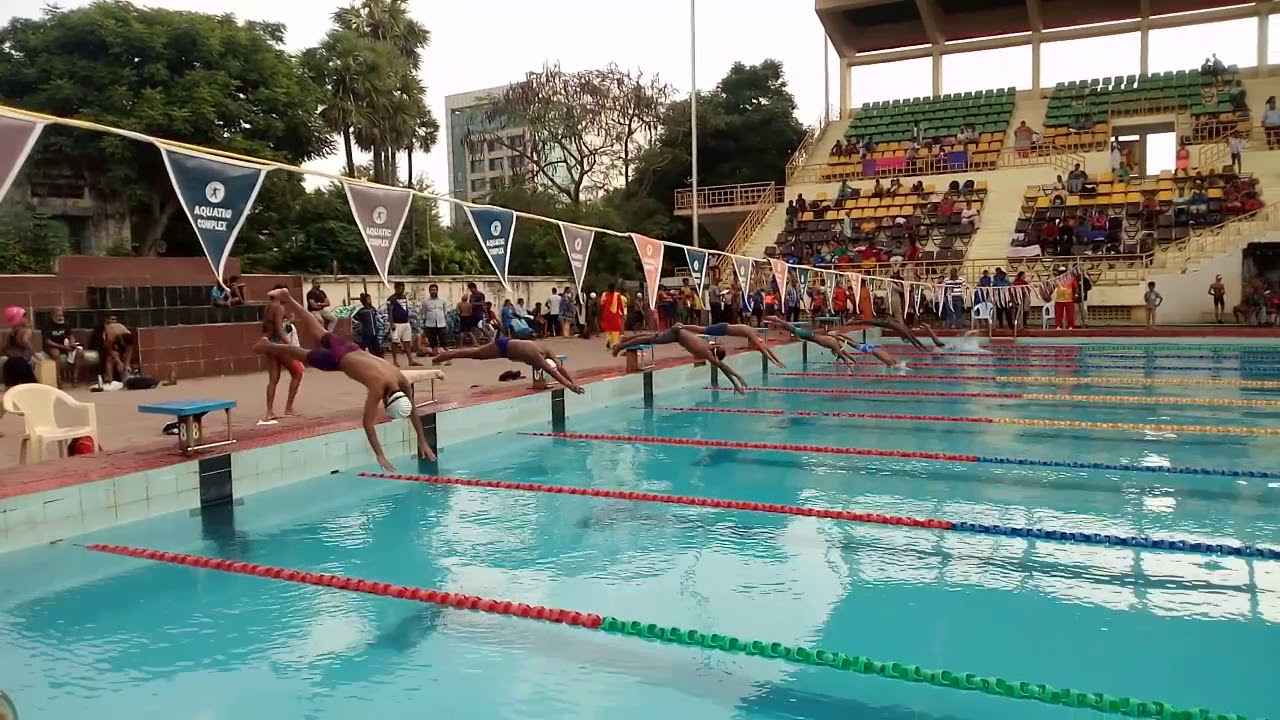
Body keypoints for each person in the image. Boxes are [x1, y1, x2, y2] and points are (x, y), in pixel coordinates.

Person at [253, 288, 435, 471]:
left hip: (351, 348)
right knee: (304, 355)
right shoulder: (377, 387)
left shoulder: (399, 376)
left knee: (317, 330)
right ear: (387, 401)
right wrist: (380, 455)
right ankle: (269, 346)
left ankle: (288, 297)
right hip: (339, 360)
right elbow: (368, 424)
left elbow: (412, 411)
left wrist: (422, 441)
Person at [610, 324, 747, 394]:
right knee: (650, 338)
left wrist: (737, 380)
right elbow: (723, 368)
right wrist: (737, 381)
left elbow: (722, 367)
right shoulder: (706, 352)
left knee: (653, 337)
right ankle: (619, 347)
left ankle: (625, 340)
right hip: (677, 333)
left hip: (678, 332)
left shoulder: (707, 346)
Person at [432, 336, 584, 394]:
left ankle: (539, 384)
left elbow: (560, 368)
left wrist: (574, 383)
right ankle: (447, 354)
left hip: (511, 348)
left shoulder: (546, 351)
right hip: (503, 346)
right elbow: (554, 373)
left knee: (476, 355)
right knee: (476, 354)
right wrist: (570, 387)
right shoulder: (537, 357)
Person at [766, 317, 899, 369]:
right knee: (790, 328)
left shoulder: (836, 344)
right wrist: (851, 366)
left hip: (813, 336)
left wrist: (854, 362)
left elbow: (845, 353)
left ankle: (776, 321)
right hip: (810, 336)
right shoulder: (835, 345)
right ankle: (776, 320)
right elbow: (845, 356)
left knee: (790, 328)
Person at [260, 284, 302, 423]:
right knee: (297, 372)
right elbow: (279, 329)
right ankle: (289, 408)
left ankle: (269, 411)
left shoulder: (268, 307)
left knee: (273, 379)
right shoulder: (279, 307)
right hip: (279, 344)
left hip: (269, 343)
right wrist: (290, 345)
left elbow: (267, 327)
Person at [680, 322, 785, 367]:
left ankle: (683, 327)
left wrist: (777, 361)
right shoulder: (752, 334)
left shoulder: (754, 333)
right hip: (723, 328)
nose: (754, 346)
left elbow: (765, 348)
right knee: (701, 330)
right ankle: (682, 327)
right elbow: (763, 349)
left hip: (725, 329)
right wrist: (773, 361)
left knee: (701, 330)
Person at [43, 307, 82, 387]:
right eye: (57, 316)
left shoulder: (66, 324)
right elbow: (47, 341)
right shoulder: (47, 326)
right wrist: (62, 347)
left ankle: (75, 377)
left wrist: (72, 343)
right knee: (56, 353)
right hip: (53, 346)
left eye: (61, 315)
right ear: (52, 316)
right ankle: (58, 379)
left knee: (80, 352)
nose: (60, 318)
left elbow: (71, 335)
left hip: (65, 345)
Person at [2, 306, 37, 389]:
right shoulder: (26, 330)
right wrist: (35, 354)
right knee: (33, 388)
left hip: (9, 363)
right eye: (24, 317)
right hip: (21, 363)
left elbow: (4, 348)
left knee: (11, 391)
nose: (26, 320)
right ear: (18, 319)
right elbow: (25, 340)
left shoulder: (10, 334)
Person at [386, 281, 419, 367]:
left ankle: (410, 360)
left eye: (403, 288)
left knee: (407, 342)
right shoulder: (391, 299)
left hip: (405, 323)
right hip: (396, 324)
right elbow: (390, 311)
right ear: (396, 288)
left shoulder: (404, 297)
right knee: (395, 343)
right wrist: (391, 323)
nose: (402, 289)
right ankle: (395, 361)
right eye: (400, 288)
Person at [101, 316, 135, 387]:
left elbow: (129, 351)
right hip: (108, 341)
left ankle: (126, 377)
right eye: (122, 343)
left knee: (125, 359)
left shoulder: (128, 335)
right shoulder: (111, 335)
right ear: (121, 339)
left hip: (120, 338)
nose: (122, 344)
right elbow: (109, 350)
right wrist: (118, 362)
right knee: (110, 359)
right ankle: (110, 381)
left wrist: (127, 364)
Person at [419, 283, 448, 356]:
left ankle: (447, 356)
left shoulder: (442, 300)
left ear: (437, 291)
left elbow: (445, 312)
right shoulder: (425, 301)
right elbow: (424, 313)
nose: (433, 291)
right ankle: (436, 357)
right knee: (433, 342)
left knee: (444, 341)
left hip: (441, 324)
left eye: (434, 290)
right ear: (429, 291)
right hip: (430, 324)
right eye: (432, 290)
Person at [599, 283, 626, 348]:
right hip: (614, 314)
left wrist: (602, 314)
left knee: (608, 328)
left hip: (606, 314)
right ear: (614, 288)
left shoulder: (604, 294)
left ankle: (608, 339)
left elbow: (601, 304)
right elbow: (620, 305)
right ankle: (614, 343)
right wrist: (622, 313)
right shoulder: (617, 295)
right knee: (615, 329)